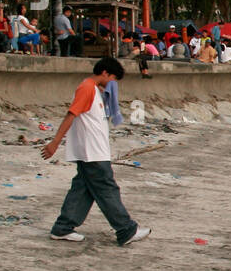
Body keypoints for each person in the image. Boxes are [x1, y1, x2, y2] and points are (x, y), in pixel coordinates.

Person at [43, 57, 151, 246]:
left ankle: (63, 228)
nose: (113, 84)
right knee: (106, 189)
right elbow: (71, 115)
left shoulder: (94, 90)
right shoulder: (86, 88)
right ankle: (126, 229)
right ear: (104, 73)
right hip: (91, 152)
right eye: (113, 79)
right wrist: (55, 142)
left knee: (82, 190)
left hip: (92, 151)